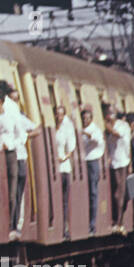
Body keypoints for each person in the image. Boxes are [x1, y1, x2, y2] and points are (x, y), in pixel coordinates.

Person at [0, 80, 38, 241]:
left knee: (13, 192)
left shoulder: (12, 108)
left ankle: (13, 225)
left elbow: (22, 133)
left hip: (12, 153)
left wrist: (11, 145)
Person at [104, 104, 132, 234]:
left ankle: (119, 222)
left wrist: (130, 164)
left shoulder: (123, 126)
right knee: (115, 193)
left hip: (122, 162)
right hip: (113, 162)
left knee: (120, 194)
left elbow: (117, 135)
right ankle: (116, 221)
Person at [54, 101, 76, 241]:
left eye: (61, 114)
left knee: (64, 201)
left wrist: (63, 158)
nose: (58, 116)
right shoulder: (53, 128)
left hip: (64, 168)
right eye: (57, 114)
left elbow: (71, 149)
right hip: (55, 168)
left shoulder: (67, 128)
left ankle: (65, 228)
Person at [80, 105, 104, 235]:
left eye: (87, 118)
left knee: (93, 192)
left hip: (93, 161)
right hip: (84, 161)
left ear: (91, 119)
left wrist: (84, 133)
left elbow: (97, 139)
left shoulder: (95, 129)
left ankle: (92, 224)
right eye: (83, 118)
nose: (84, 121)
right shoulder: (82, 129)